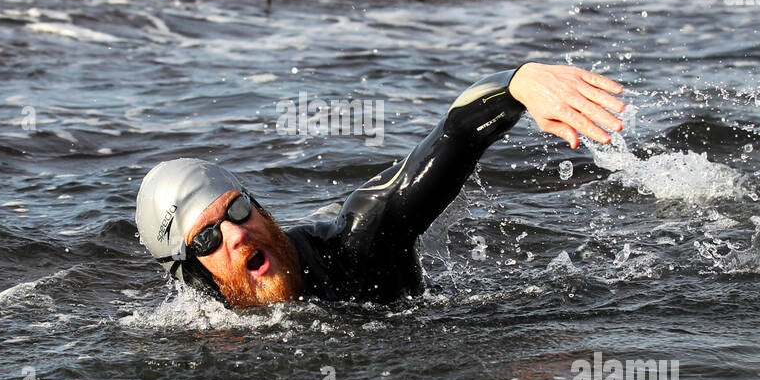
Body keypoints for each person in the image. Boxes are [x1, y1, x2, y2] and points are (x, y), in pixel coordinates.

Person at [135, 61, 625, 308]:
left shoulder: (358, 247)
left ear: (260, 208)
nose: (237, 234)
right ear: (191, 276)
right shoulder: (193, 340)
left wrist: (517, 83)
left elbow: (450, 137)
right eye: (207, 238)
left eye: (238, 210)